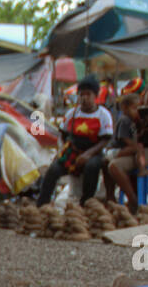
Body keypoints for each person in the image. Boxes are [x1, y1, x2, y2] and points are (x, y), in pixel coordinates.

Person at [35, 76, 113, 206]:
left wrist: (88, 154)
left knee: (91, 167)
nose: (84, 98)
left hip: (94, 152)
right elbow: (63, 135)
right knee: (53, 169)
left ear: (96, 96)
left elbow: (105, 140)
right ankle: (42, 204)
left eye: (88, 94)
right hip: (74, 151)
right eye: (81, 94)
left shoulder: (104, 115)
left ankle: (86, 203)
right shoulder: (72, 113)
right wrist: (62, 152)